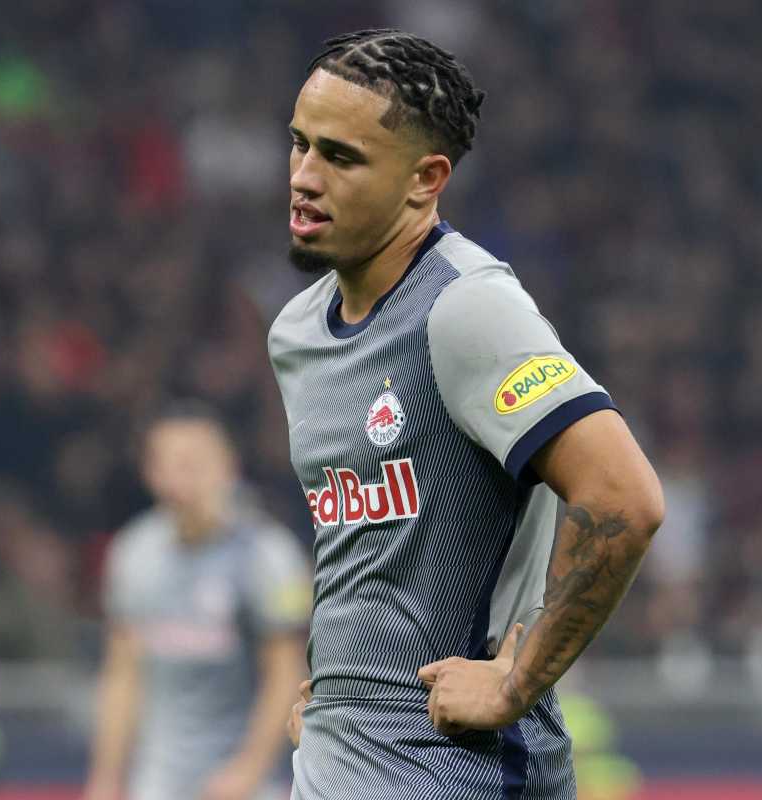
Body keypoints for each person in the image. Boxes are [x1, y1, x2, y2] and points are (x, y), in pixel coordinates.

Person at [268, 29, 665, 800]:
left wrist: (516, 682)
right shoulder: (297, 331)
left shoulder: (465, 308)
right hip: (343, 759)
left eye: (341, 157)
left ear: (426, 179)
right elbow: (374, 543)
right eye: (299, 144)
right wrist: (342, 690)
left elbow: (623, 496)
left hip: (453, 771)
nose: (304, 177)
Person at [84, 401, 311, 800]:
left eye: (193, 463)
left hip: (247, 785)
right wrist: (105, 779)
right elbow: (123, 674)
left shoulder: (270, 556)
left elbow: (286, 673)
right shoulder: (133, 553)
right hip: (157, 781)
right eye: (168, 464)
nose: (180, 477)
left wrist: (249, 769)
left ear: (228, 466)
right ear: (150, 472)